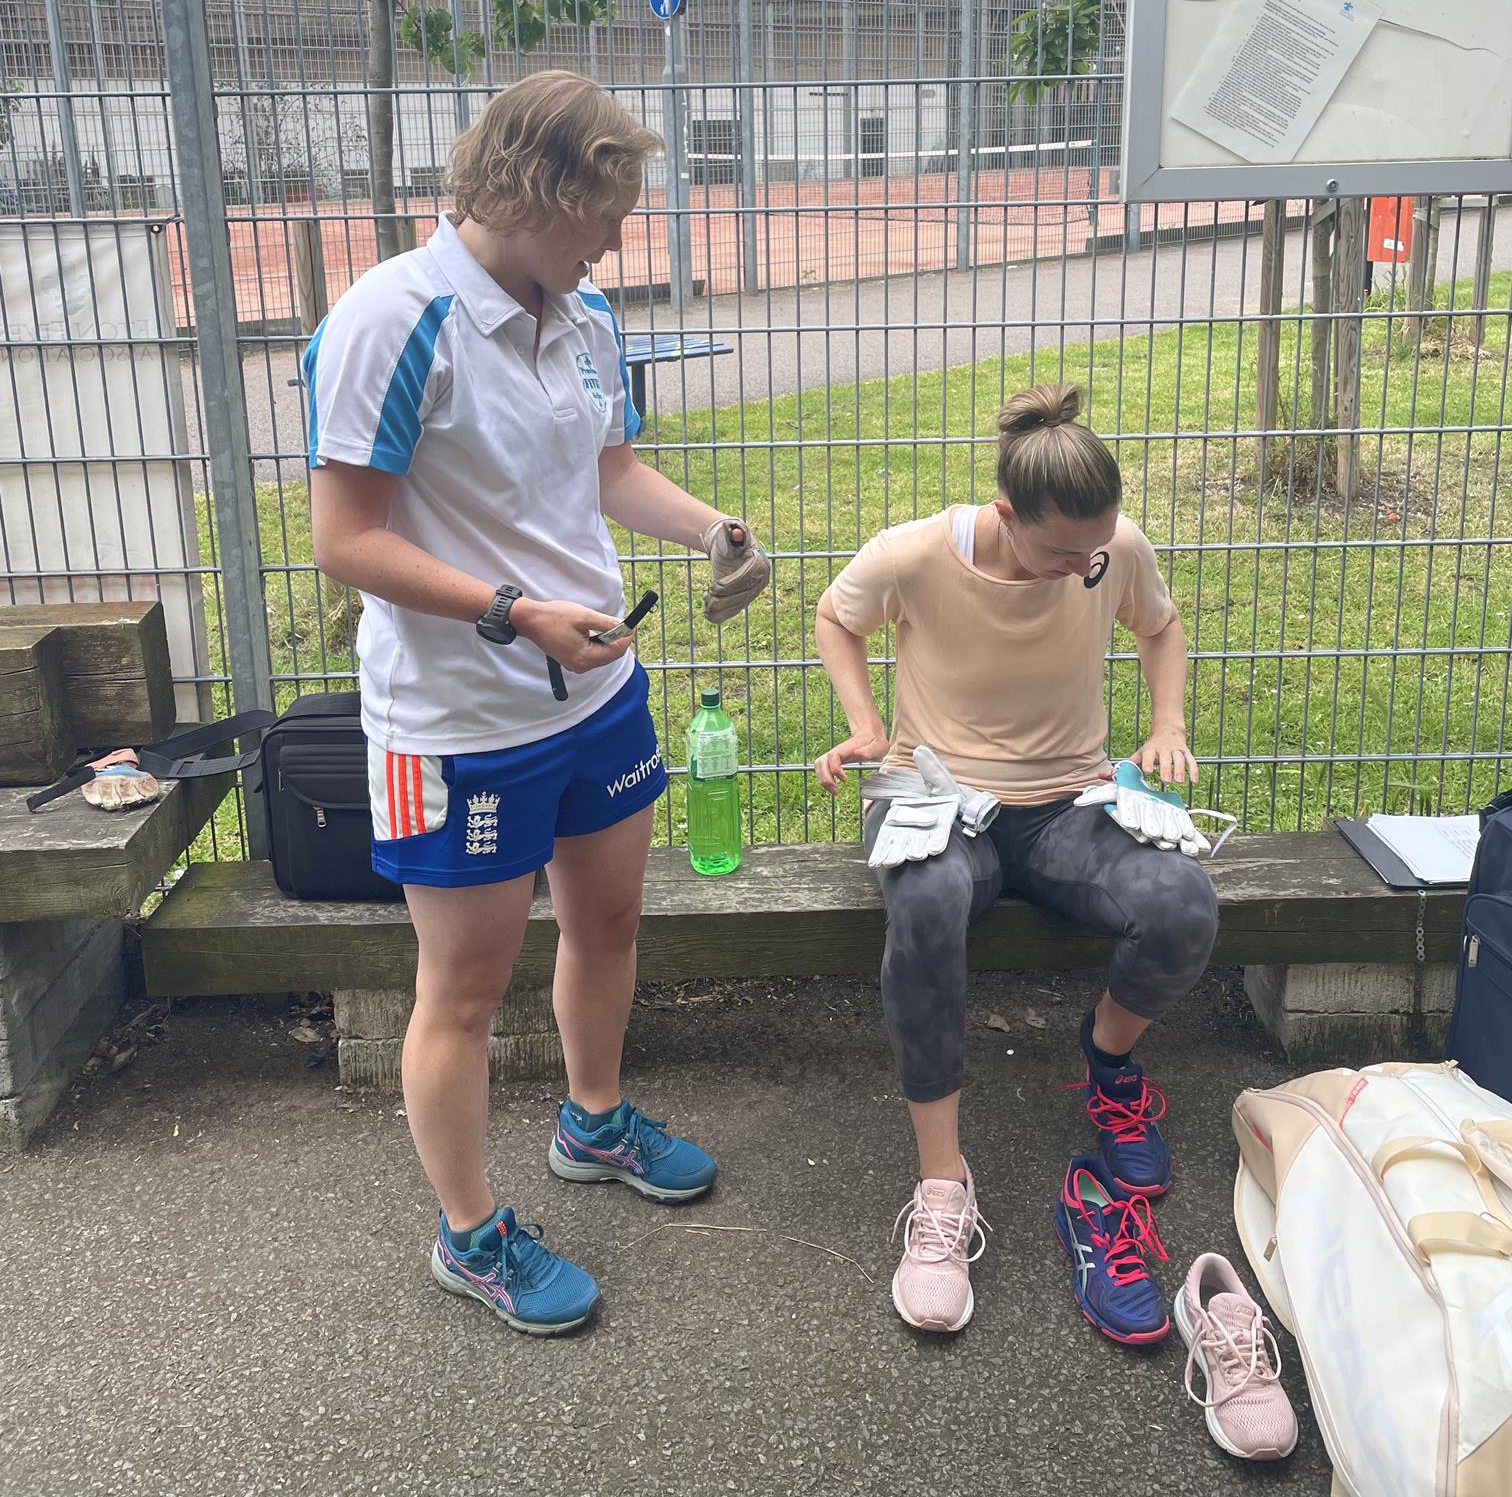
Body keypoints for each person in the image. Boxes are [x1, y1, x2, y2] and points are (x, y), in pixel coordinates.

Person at [306, 70, 770, 1336]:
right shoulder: (391, 323)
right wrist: (511, 612)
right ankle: (471, 1236)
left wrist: (713, 527)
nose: (619, 238)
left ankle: (595, 1120)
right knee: (462, 989)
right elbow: (345, 542)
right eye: (606, 212)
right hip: (460, 721)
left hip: (597, 690)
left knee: (608, 921)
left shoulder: (584, 310)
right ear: (540, 192)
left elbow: (608, 467)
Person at [812, 382, 1217, 1338]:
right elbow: (838, 616)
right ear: (1005, 517)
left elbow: (1159, 627)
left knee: (1182, 905)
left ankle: (1109, 1063)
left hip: (1067, 803)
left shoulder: (1113, 549)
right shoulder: (914, 553)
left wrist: (1168, 723)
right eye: (1065, 553)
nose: (1089, 567)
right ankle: (941, 1189)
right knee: (923, 909)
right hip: (939, 795)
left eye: (1099, 548)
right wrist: (866, 724)